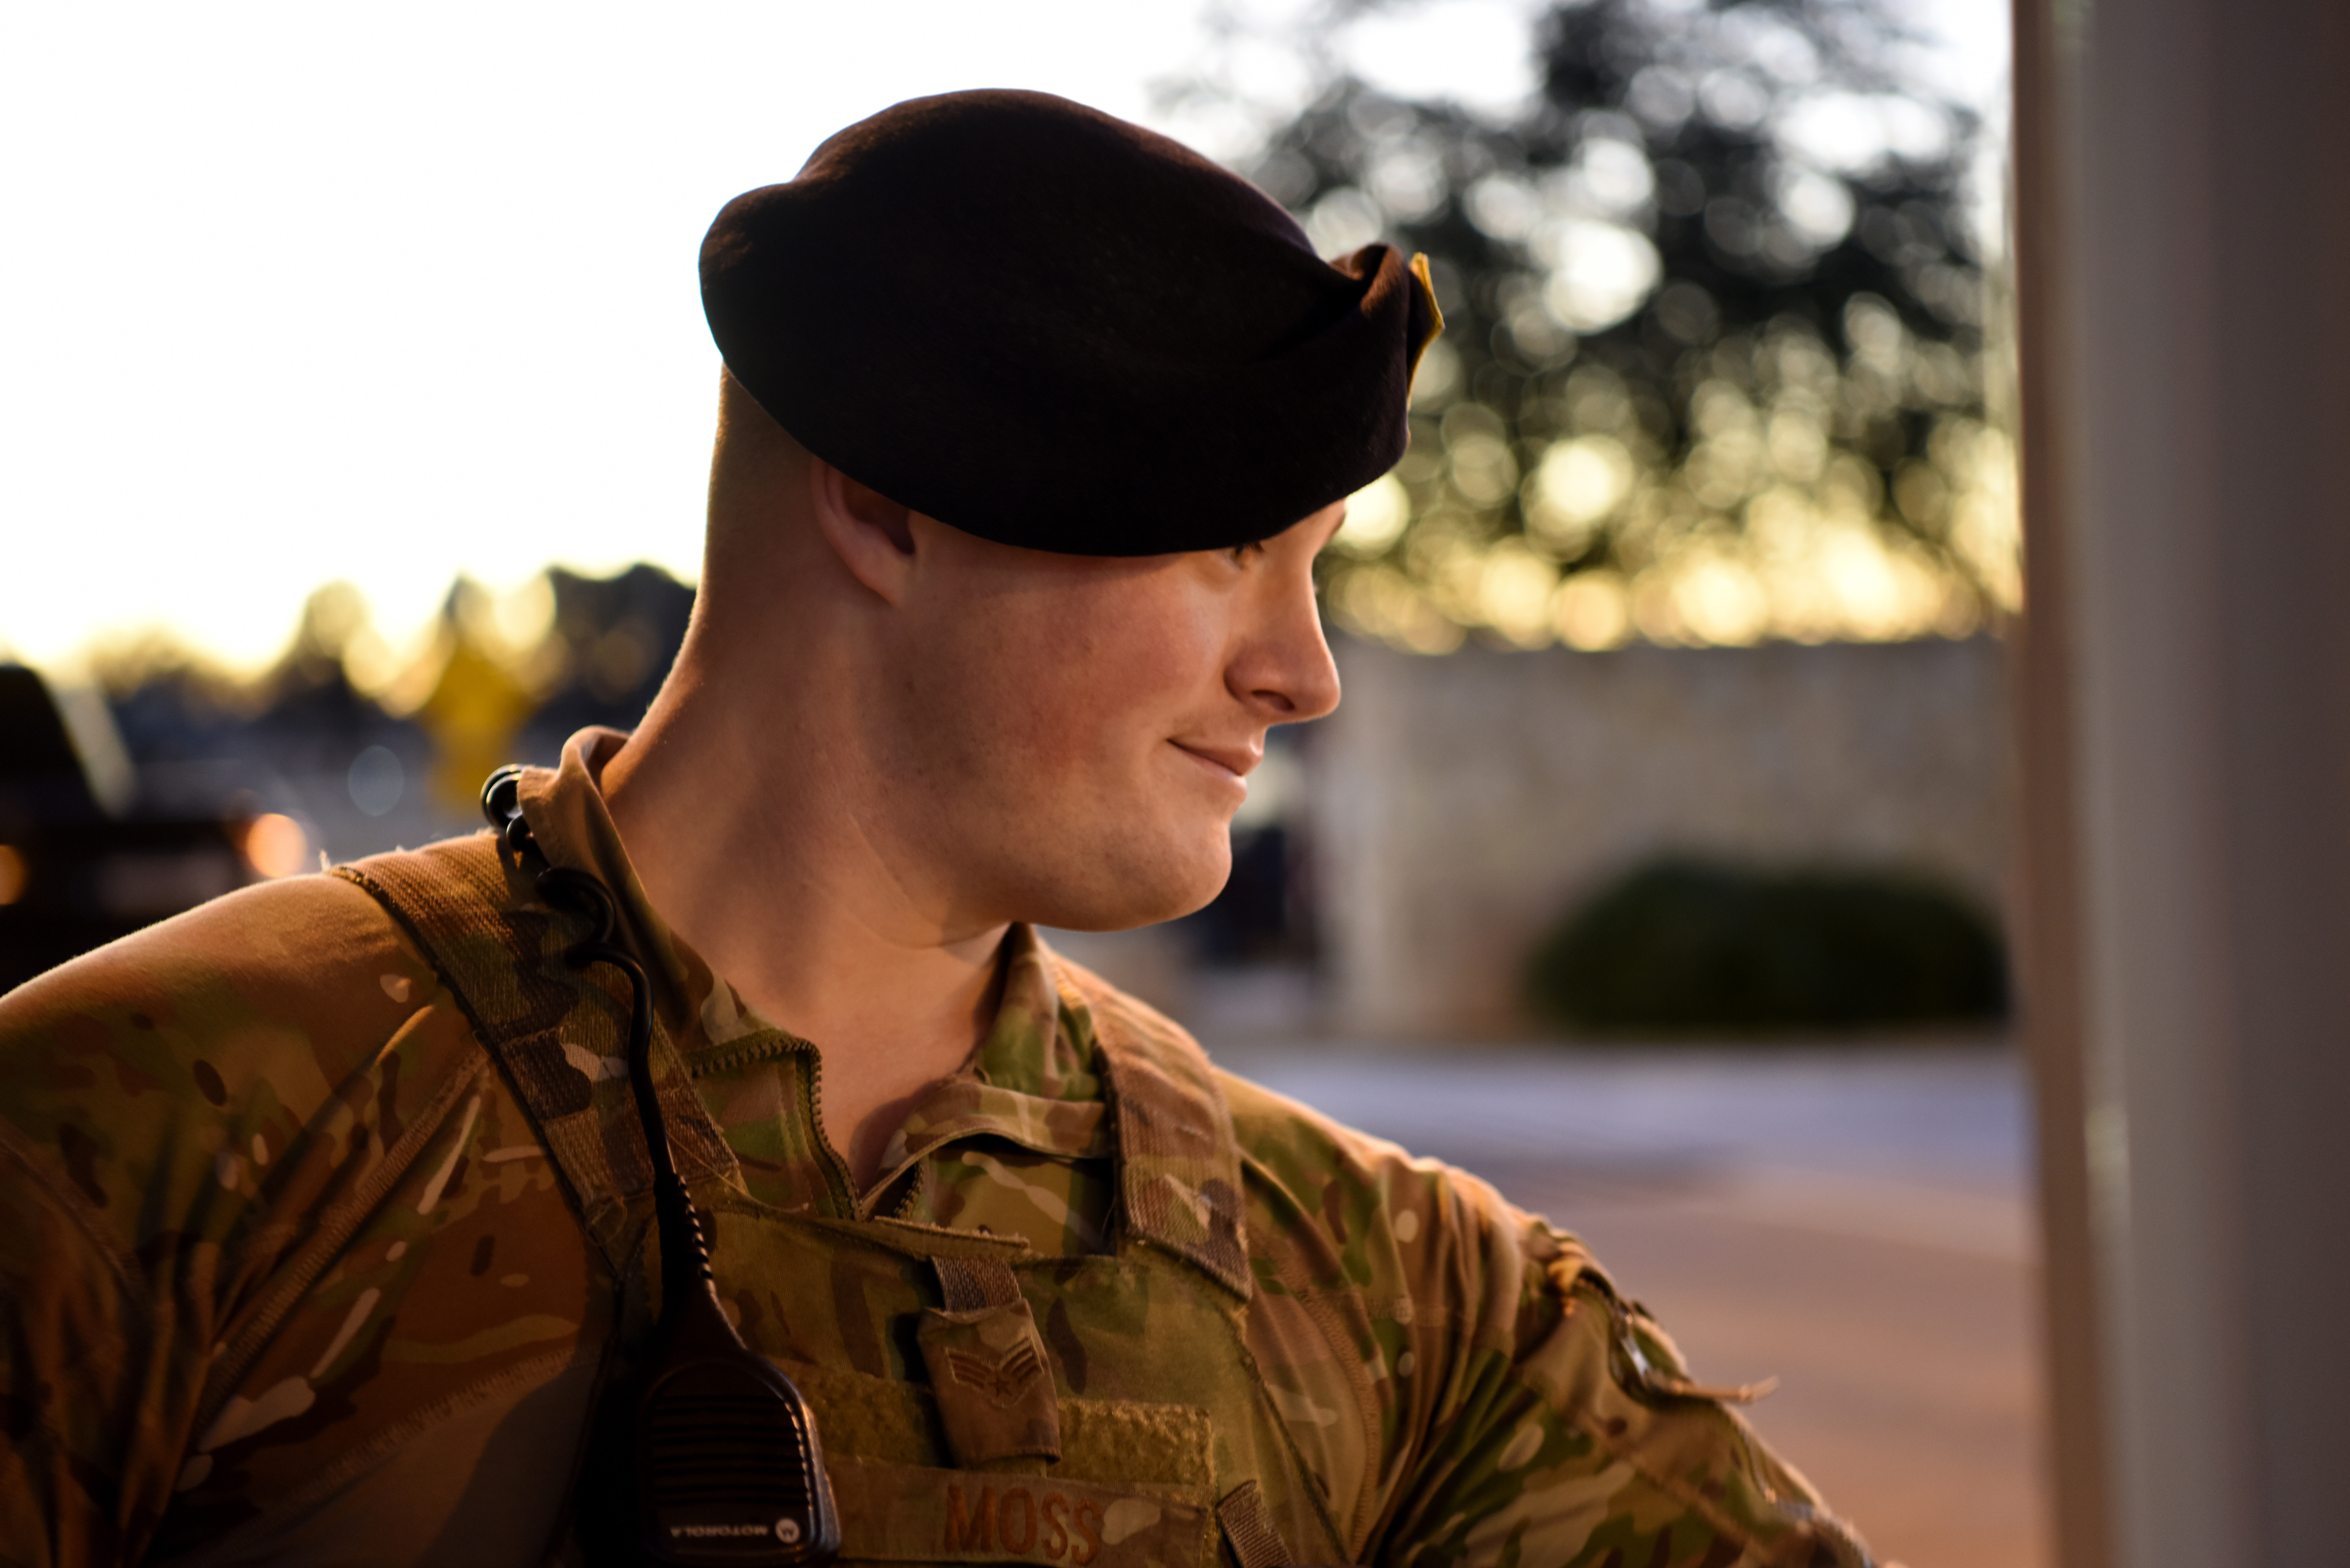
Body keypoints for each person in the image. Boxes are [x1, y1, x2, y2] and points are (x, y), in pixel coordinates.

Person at [0, 90, 1872, 1567]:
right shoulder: (141, 1148)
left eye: (1315, 570)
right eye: (1229, 549)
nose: (1303, 674)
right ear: (885, 505)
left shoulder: (1391, 1298)